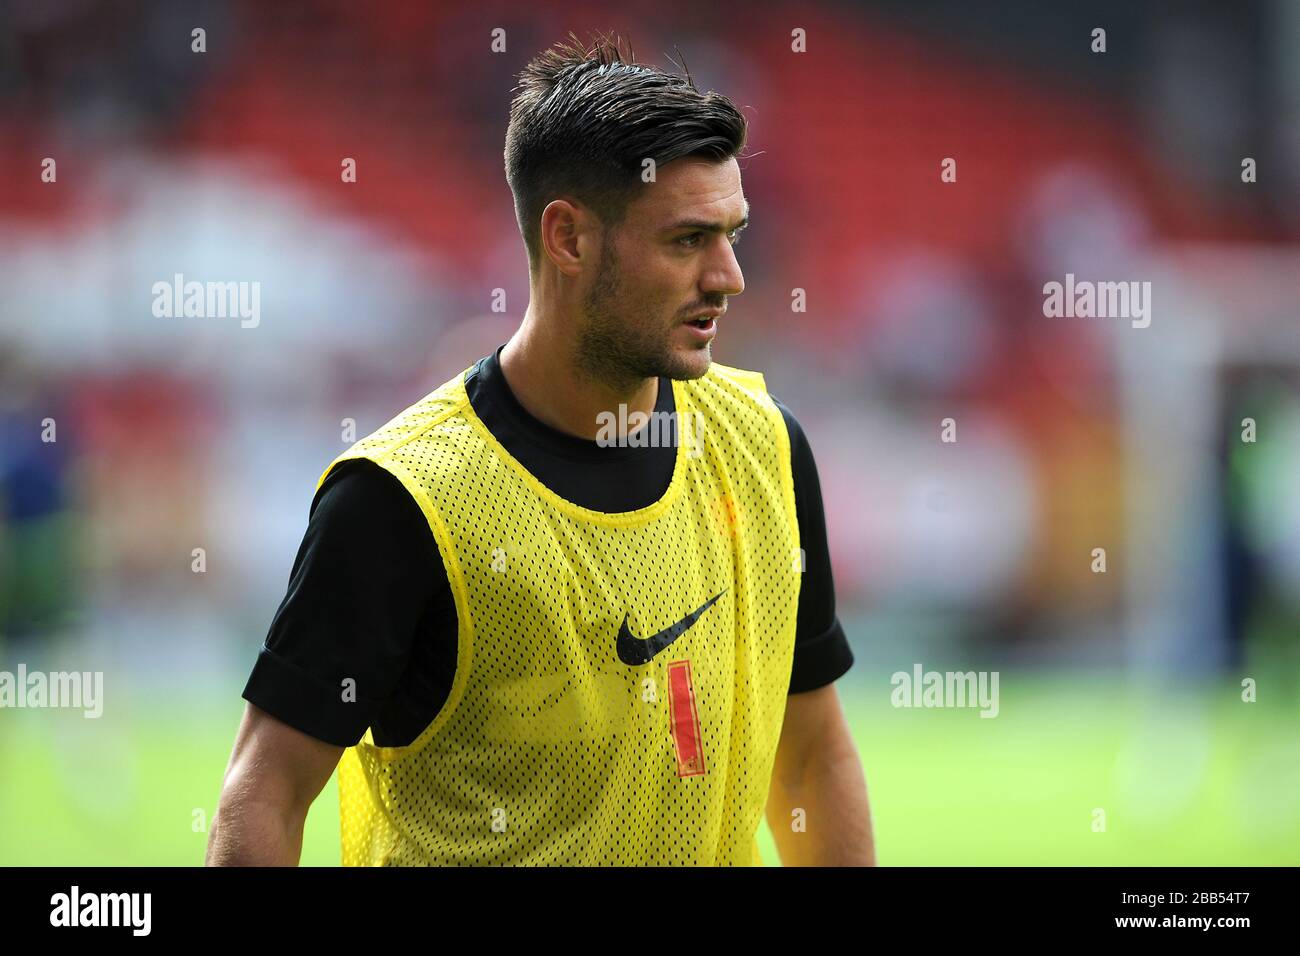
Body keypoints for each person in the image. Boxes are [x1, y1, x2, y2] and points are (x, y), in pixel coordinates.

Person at [206, 31, 874, 867]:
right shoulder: (400, 501)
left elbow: (810, 756)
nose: (729, 275)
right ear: (568, 239)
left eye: (732, 233)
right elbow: (264, 792)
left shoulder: (767, 448)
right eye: (687, 240)